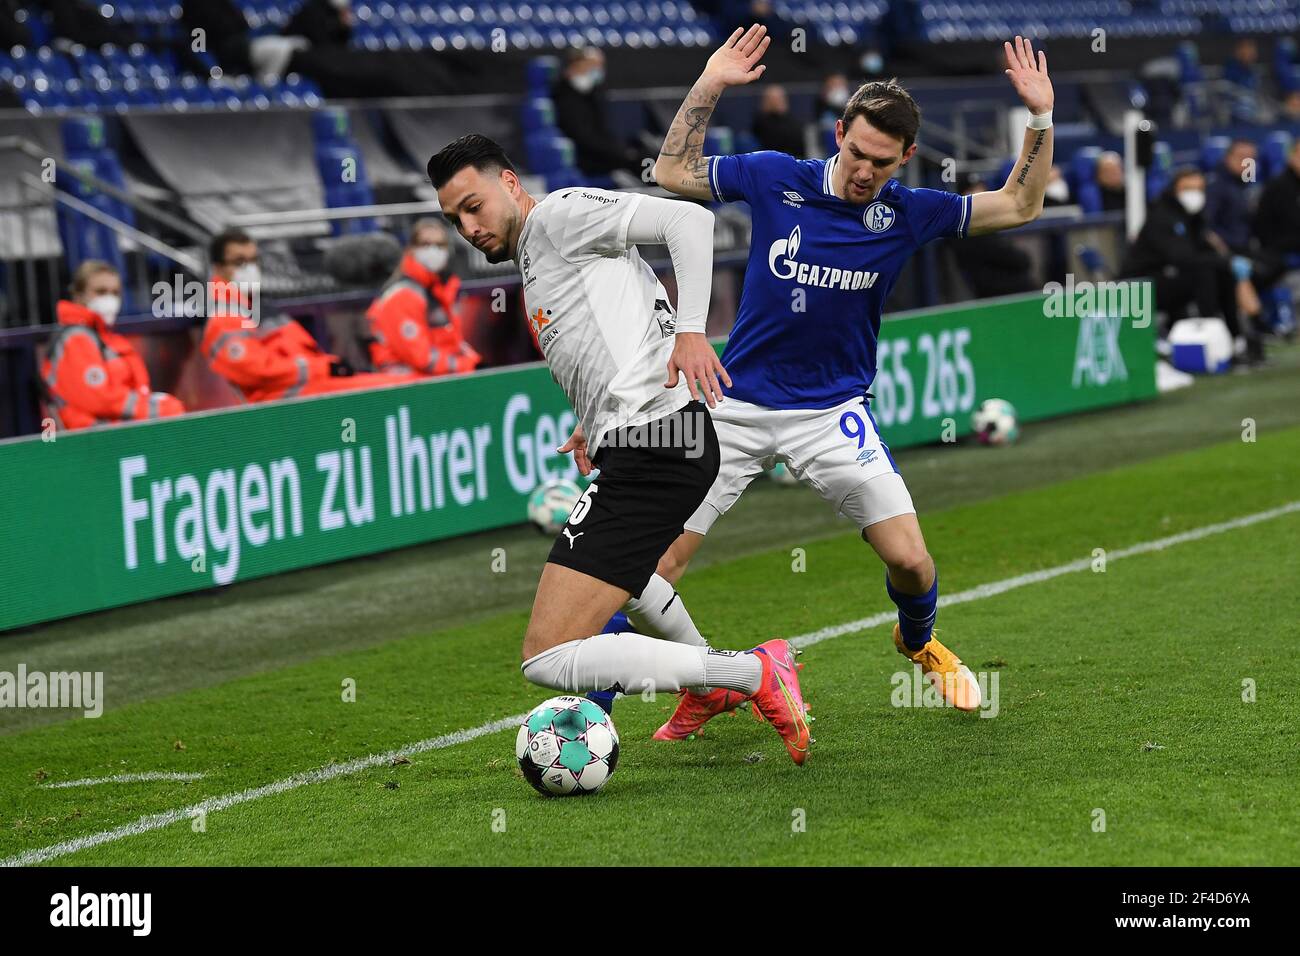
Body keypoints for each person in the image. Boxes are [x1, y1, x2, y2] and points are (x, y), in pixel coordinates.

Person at [648, 26, 1056, 737]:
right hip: (732, 405)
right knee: (651, 569)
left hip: (831, 412)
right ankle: (651, 689)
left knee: (913, 563)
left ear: (906, 157)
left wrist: (1040, 119)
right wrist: (711, 82)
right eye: (856, 153)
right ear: (839, 133)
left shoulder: (909, 212)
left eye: (882, 162)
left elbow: (1018, 206)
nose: (865, 171)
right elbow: (671, 175)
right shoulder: (775, 175)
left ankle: (917, 639)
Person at [428, 134, 811, 764]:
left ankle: (749, 673)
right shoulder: (538, 255)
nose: (467, 227)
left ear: (511, 182)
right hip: (651, 438)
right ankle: (714, 689)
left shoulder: (557, 216)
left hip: (658, 443)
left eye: (473, 206)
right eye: (453, 220)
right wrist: (594, 419)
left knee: (547, 657)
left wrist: (692, 332)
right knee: (628, 580)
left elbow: (689, 219)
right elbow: (614, 328)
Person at [202, 228, 413, 402]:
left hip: (309, 392)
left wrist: (328, 365)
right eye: (239, 262)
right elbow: (256, 372)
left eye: (253, 260)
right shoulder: (225, 317)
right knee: (396, 390)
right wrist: (323, 367)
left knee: (403, 384)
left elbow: (301, 357)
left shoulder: (258, 308)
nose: (250, 268)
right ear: (219, 268)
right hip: (288, 403)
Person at [1120, 168, 1265, 364]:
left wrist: (1228, 261)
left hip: (1171, 277)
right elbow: (1182, 257)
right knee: (1205, 272)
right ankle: (1210, 338)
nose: (1194, 194)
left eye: (1198, 189)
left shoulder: (1194, 217)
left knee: (1221, 272)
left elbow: (1204, 252)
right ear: (1174, 190)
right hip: (1139, 286)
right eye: (1187, 188)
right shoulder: (1162, 217)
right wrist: (1226, 261)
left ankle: (1235, 339)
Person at [42, 261, 185, 431]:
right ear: (78, 295)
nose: (109, 299)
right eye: (100, 292)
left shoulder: (106, 338)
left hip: (117, 435)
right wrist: (157, 408)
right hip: (92, 443)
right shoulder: (76, 339)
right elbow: (96, 398)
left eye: (115, 293)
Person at [365, 219, 481, 376]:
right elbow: (422, 358)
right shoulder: (403, 295)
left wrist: (476, 363)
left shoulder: (440, 288)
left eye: (440, 245)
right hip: (405, 387)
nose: (433, 250)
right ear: (412, 248)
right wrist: (467, 366)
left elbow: (454, 341)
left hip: (435, 379)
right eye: (425, 244)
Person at [550, 47, 642, 181]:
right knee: (638, 162)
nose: (598, 71)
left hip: (602, 153)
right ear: (577, 65)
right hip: (587, 159)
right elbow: (584, 137)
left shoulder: (590, 94)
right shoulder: (565, 97)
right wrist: (622, 153)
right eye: (593, 66)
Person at [949, 175, 1038, 297]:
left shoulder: (987, 223)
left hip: (1014, 290)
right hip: (996, 295)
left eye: (981, 190)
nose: (979, 195)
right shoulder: (965, 231)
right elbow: (1019, 259)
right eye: (972, 191)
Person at [752, 84, 805, 158]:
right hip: (770, 156)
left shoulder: (792, 119)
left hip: (794, 155)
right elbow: (770, 139)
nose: (777, 102)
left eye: (779, 98)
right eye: (773, 99)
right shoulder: (762, 119)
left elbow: (798, 139)